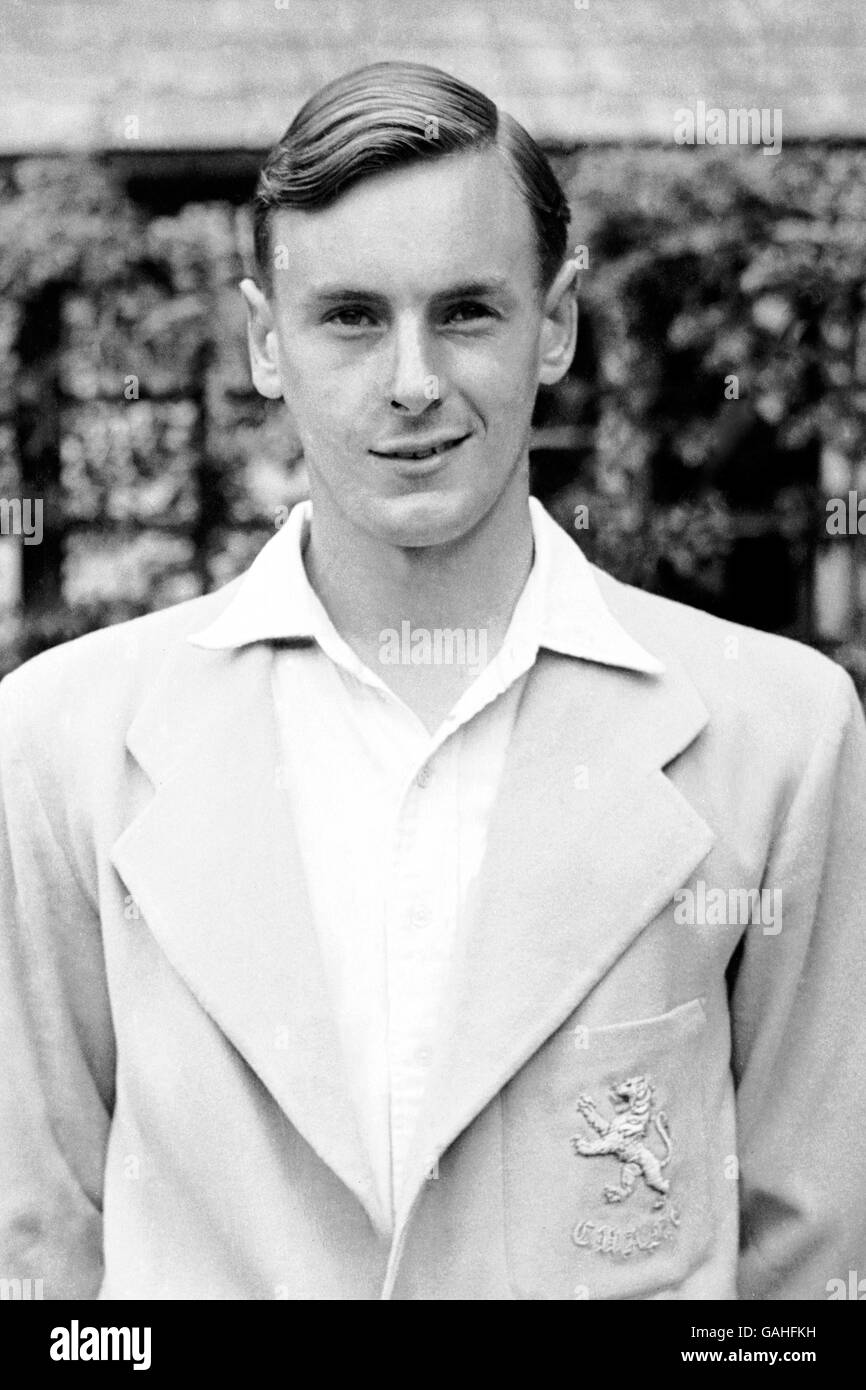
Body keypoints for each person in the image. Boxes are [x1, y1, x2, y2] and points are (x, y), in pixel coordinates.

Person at [1, 60, 865, 1302]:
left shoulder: (780, 737)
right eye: (350, 316)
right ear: (262, 339)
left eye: (465, 311)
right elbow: (36, 1258)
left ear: (555, 323)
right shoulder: (56, 746)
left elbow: (811, 1267)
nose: (412, 381)